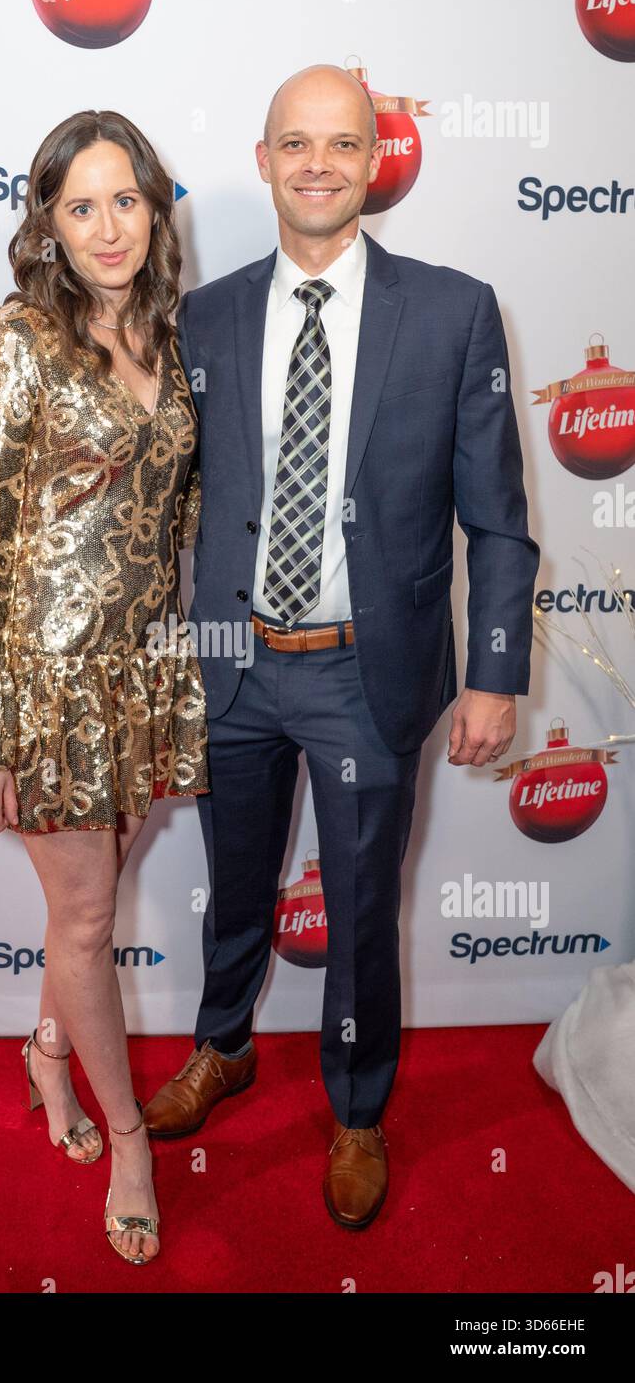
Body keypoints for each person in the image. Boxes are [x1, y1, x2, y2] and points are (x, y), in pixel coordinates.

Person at [143, 64, 541, 1230]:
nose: (318, 163)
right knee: (234, 888)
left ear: (376, 163)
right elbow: (169, 506)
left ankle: (359, 1110)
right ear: (264, 162)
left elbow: (500, 523)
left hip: (372, 673)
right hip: (234, 665)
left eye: (343, 144)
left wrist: (496, 672)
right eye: (295, 143)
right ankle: (223, 1046)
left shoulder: (457, 310)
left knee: (361, 910)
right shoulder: (200, 318)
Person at [0, 110, 209, 1264]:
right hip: (42, 687)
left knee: (82, 911)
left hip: (137, 677)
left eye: (125, 201)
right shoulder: (18, 340)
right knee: (89, 919)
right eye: (79, 205)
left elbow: (174, 519)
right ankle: (129, 1137)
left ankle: (50, 1052)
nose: (106, 227)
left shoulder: (169, 337)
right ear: (47, 219)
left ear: (155, 208)